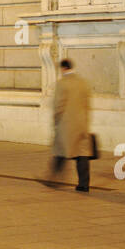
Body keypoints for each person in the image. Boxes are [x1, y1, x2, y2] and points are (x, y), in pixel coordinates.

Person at [47, 58, 93, 192]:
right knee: (82, 155)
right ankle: (84, 184)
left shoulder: (62, 83)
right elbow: (87, 105)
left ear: (63, 68)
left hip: (65, 125)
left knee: (61, 151)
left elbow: (58, 106)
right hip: (81, 125)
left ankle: (54, 178)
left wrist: (55, 122)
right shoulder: (83, 83)